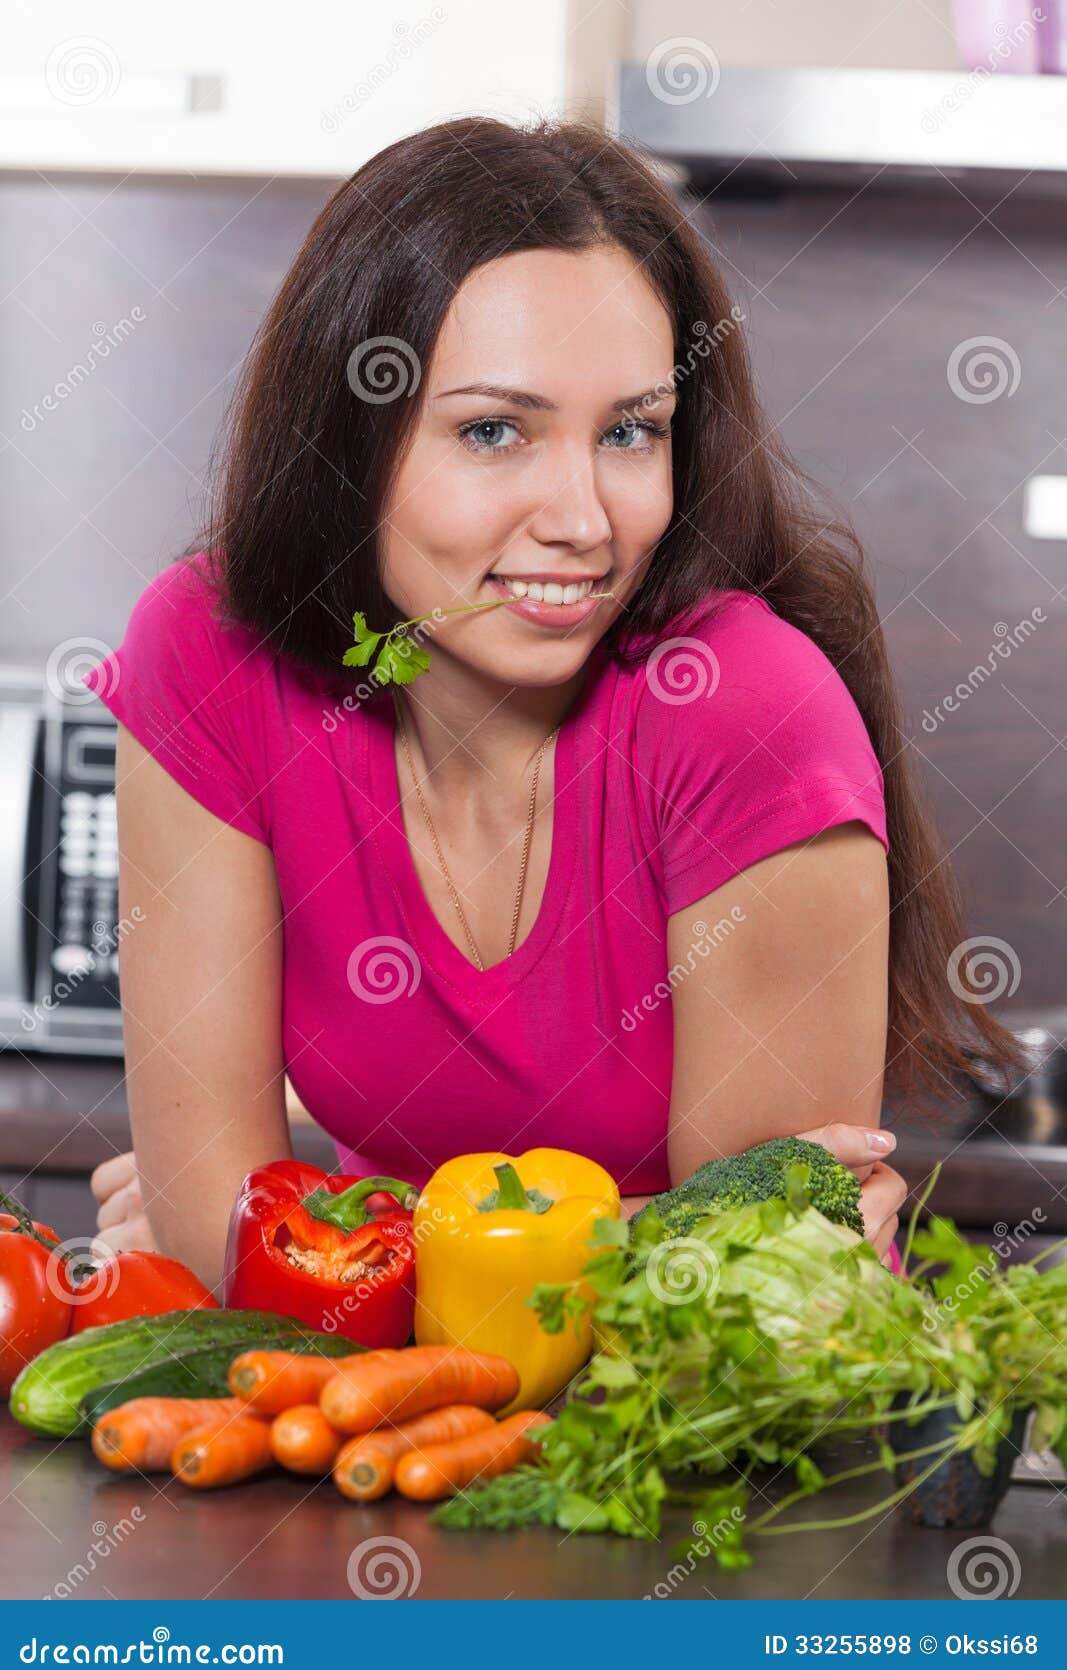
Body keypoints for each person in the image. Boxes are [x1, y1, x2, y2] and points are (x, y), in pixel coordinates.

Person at [84, 116, 1018, 1293]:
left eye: (630, 432)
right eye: (493, 431)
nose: (582, 520)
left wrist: (335, 1238)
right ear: (344, 441)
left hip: (697, 1416)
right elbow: (213, 1242)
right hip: (374, 1398)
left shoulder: (743, 711)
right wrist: (633, 1232)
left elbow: (729, 1303)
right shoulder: (211, 652)